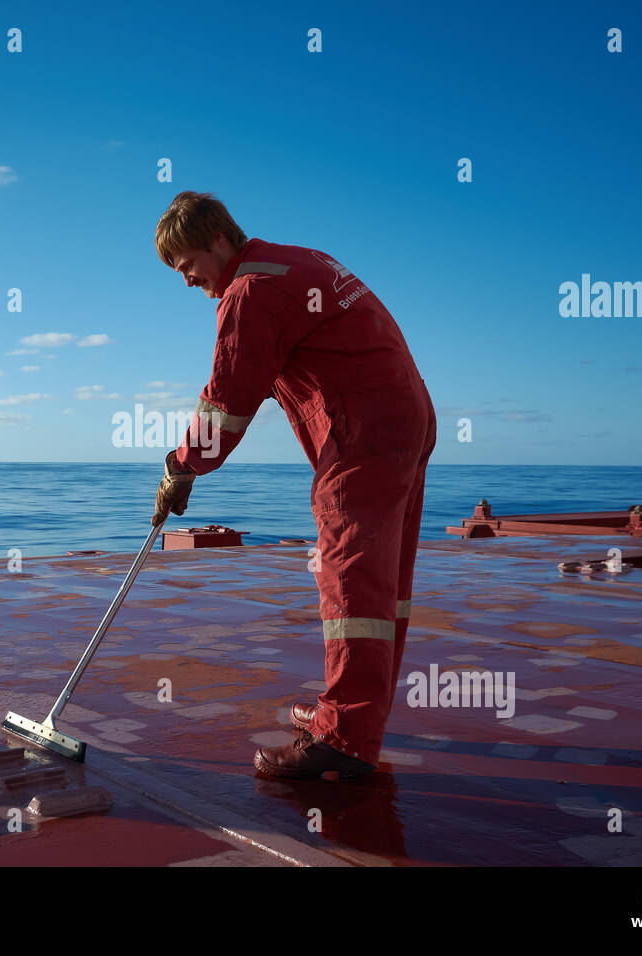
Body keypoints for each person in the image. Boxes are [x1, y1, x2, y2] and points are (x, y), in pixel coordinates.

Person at [151, 191, 437, 779]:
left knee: (352, 581)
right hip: (402, 419)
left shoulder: (251, 291)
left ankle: (345, 741)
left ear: (216, 240)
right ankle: (356, 714)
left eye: (185, 266)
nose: (185, 282)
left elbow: (227, 401)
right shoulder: (296, 261)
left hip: (364, 432)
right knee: (383, 582)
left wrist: (182, 466)